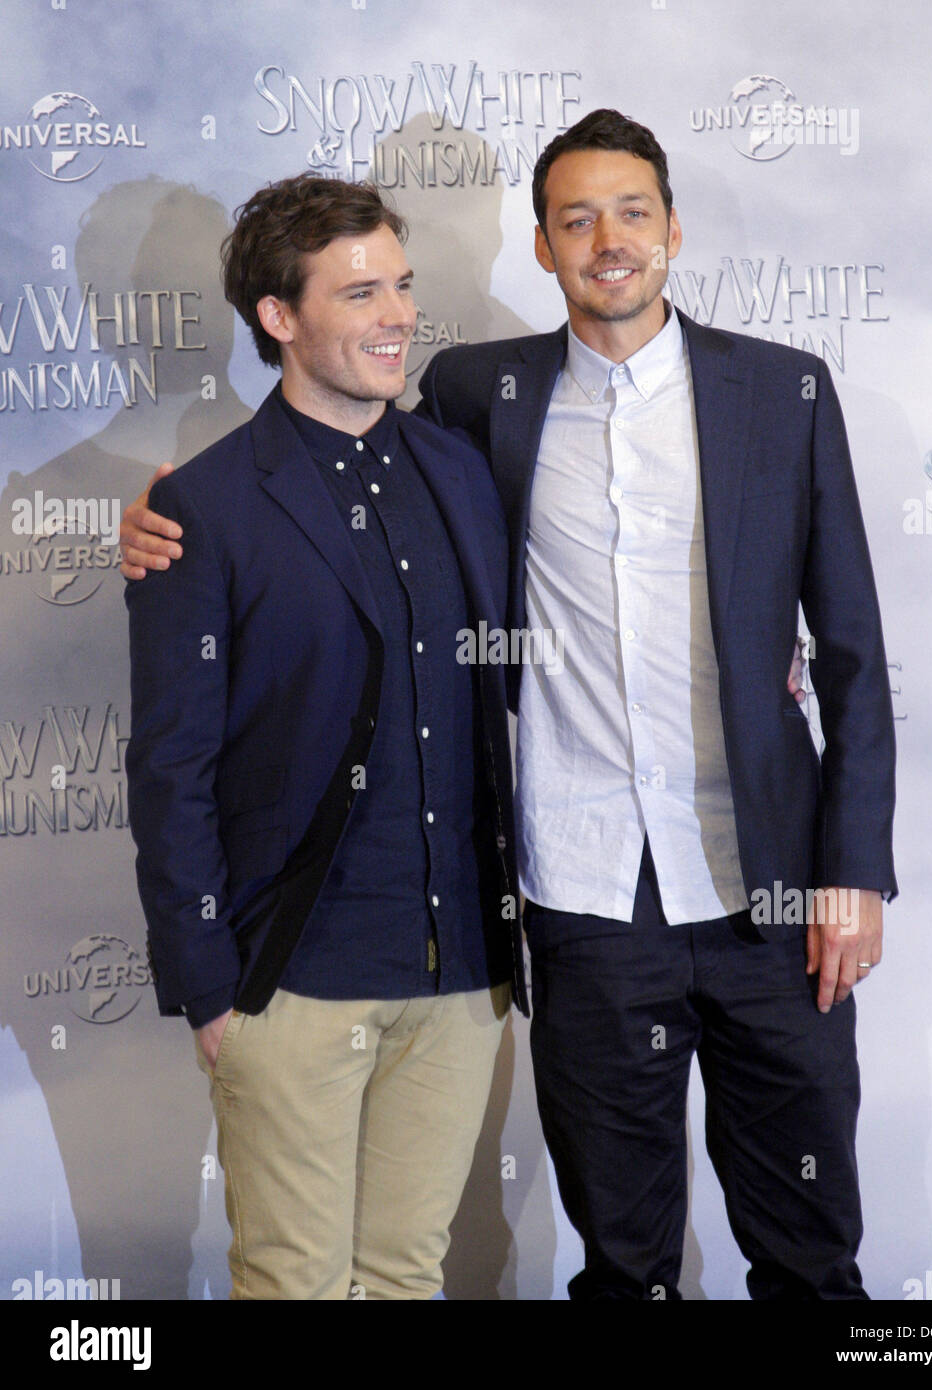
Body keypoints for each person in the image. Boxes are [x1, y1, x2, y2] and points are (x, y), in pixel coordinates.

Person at [122, 110, 896, 1301]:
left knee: (809, 1250)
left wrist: (853, 869)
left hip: (773, 892)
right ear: (542, 248)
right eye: (576, 219)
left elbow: (851, 650)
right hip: (584, 904)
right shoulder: (480, 401)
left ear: (674, 228)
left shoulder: (782, 393)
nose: (608, 240)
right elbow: (320, 477)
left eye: (632, 211)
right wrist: (168, 515)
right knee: (622, 1258)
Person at [123, 173, 525, 1301]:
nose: (396, 313)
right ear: (280, 317)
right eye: (359, 293)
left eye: (401, 284)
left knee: (406, 1273)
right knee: (292, 1281)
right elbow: (170, 767)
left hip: (459, 977)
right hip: (289, 981)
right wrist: (209, 988)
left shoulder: (457, 469)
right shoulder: (201, 507)